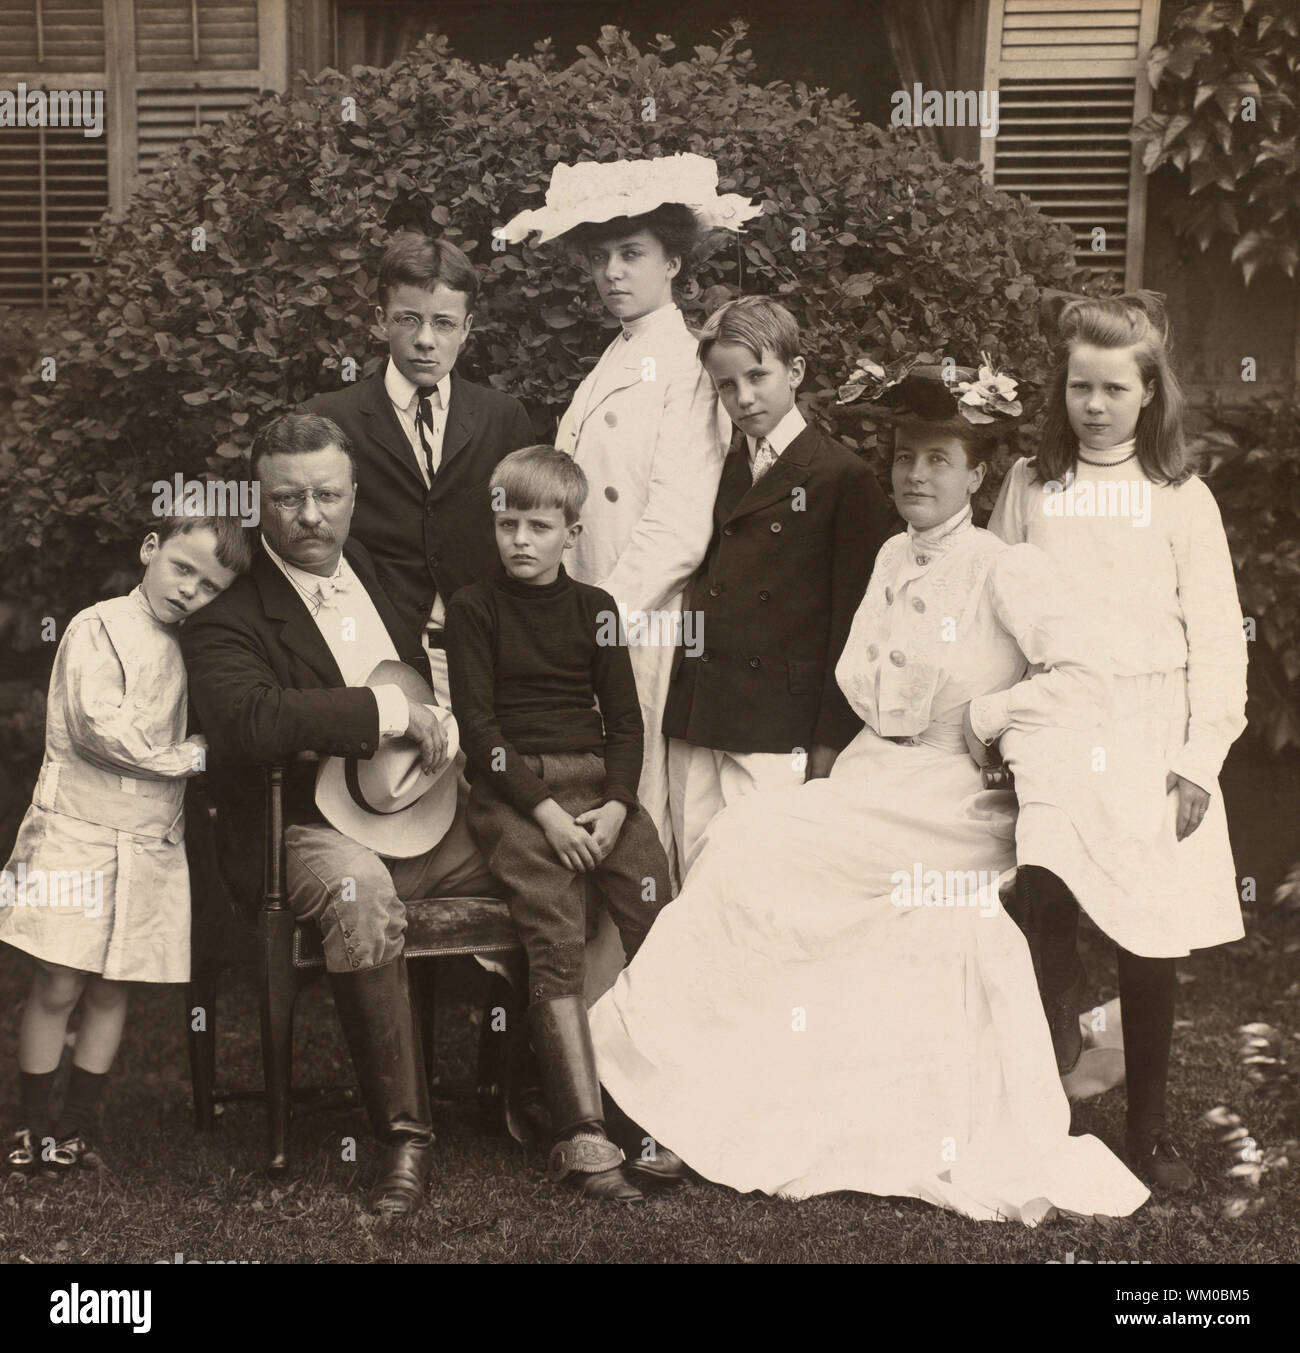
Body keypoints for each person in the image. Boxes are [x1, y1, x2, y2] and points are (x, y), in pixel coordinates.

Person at [586, 363, 1151, 1223]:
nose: (915, 475)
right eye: (903, 458)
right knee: (744, 842)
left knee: (769, 851)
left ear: (976, 474)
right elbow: (865, 683)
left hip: (953, 798)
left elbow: (1086, 672)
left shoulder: (1004, 569)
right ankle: (686, 1093)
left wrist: (994, 714)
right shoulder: (892, 553)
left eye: (937, 459)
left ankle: (695, 1100)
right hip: (874, 777)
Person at [181, 412, 501, 1218]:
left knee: (538, 857)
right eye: (288, 499)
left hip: (414, 813)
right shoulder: (229, 609)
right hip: (298, 829)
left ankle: (544, 1099)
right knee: (361, 894)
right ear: (260, 502)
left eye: (327, 494)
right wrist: (386, 712)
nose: (310, 516)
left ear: (355, 496)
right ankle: (404, 1139)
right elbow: (252, 720)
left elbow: (420, 677)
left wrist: (442, 724)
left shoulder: (371, 569)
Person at [988, 291, 1248, 1192]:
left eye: (1113, 389)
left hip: (1148, 730)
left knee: (1149, 935)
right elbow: (996, 610)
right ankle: (1049, 1102)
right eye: (1078, 387)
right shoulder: (1030, 486)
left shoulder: (1182, 500)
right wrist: (995, 719)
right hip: (1058, 723)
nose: (1094, 405)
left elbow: (1218, 641)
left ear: (1148, 394)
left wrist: (1197, 761)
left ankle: (1147, 1129)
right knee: (1043, 910)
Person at [501, 153, 759, 885]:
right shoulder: (611, 359)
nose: (613, 272)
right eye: (601, 257)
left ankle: (634, 990)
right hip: (587, 622)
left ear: (674, 261)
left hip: (640, 625)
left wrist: (595, 621)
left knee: (638, 807)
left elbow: (679, 528)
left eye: (633, 254)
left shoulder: (688, 365)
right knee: (582, 800)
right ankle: (583, 991)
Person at [445, 447, 673, 1202]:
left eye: (539, 526)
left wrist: (614, 806)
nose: (520, 540)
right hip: (516, 791)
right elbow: (479, 729)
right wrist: (547, 815)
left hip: (595, 786)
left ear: (571, 532)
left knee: (656, 908)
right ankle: (581, 1129)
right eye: (507, 523)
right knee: (554, 924)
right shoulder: (475, 608)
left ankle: (665, 1109)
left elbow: (627, 725)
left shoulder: (596, 610)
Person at [3, 512, 250, 1175]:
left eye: (208, 586)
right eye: (182, 568)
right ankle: (30, 1130)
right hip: (79, 831)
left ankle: (74, 1130)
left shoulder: (197, 647)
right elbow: (98, 729)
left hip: (147, 841)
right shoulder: (98, 626)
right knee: (57, 980)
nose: (188, 591)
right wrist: (192, 756)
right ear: (150, 548)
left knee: (115, 988)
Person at [662, 295, 893, 872]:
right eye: (724, 385)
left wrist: (830, 740)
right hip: (701, 712)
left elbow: (856, 623)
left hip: (779, 726)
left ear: (796, 372)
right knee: (693, 877)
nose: (743, 398)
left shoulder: (844, 476)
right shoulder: (716, 464)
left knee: (764, 879)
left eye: (757, 376)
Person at [301, 233, 534, 705]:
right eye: (409, 319)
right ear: (380, 320)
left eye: (444, 323)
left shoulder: (502, 417)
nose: (426, 340)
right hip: (370, 658)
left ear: (467, 328)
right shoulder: (331, 418)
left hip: (486, 659)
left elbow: (525, 536)